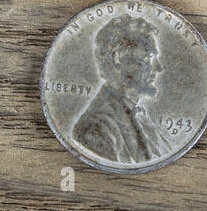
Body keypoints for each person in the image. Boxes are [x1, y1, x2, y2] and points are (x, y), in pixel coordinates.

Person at [73, 15, 171, 164]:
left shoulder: (138, 113)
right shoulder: (95, 129)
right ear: (117, 58)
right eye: (149, 58)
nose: (158, 68)